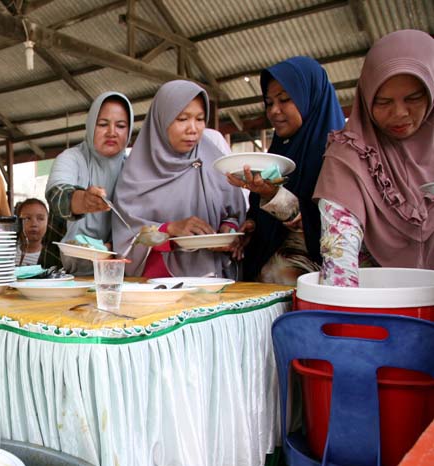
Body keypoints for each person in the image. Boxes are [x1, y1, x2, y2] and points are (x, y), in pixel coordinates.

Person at [314, 29, 434, 286]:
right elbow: (339, 260)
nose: (400, 113)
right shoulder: (347, 156)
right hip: (378, 304)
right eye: (382, 102)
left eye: (414, 98)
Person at [227, 57, 345, 285]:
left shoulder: (339, 152)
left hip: (325, 258)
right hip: (281, 251)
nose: (274, 111)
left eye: (284, 100)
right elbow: (261, 211)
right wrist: (253, 224)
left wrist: (274, 196)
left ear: (309, 98)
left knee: (275, 275)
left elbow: (321, 226)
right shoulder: (281, 150)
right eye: (269, 102)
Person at [114, 80, 244, 277]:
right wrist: (171, 228)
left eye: (200, 119)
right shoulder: (137, 173)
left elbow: (234, 211)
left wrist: (230, 228)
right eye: (182, 119)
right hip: (158, 281)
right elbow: (126, 232)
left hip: (215, 278)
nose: (193, 129)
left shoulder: (214, 160)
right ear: (161, 120)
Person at [42, 92, 133, 274]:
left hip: (115, 274)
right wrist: (84, 200)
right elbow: (57, 195)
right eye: (103, 124)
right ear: (91, 125)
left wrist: (113, 246)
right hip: (63, 272)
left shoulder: (133, 168)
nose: (112, 132)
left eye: (121, 126)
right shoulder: (72, 158)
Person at [15, 198, 49, 266]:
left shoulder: (50, 257)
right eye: (27, 218)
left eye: (40, 218)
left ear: (48, 222)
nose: (34, 224)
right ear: (19, 222)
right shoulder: (10, 254)